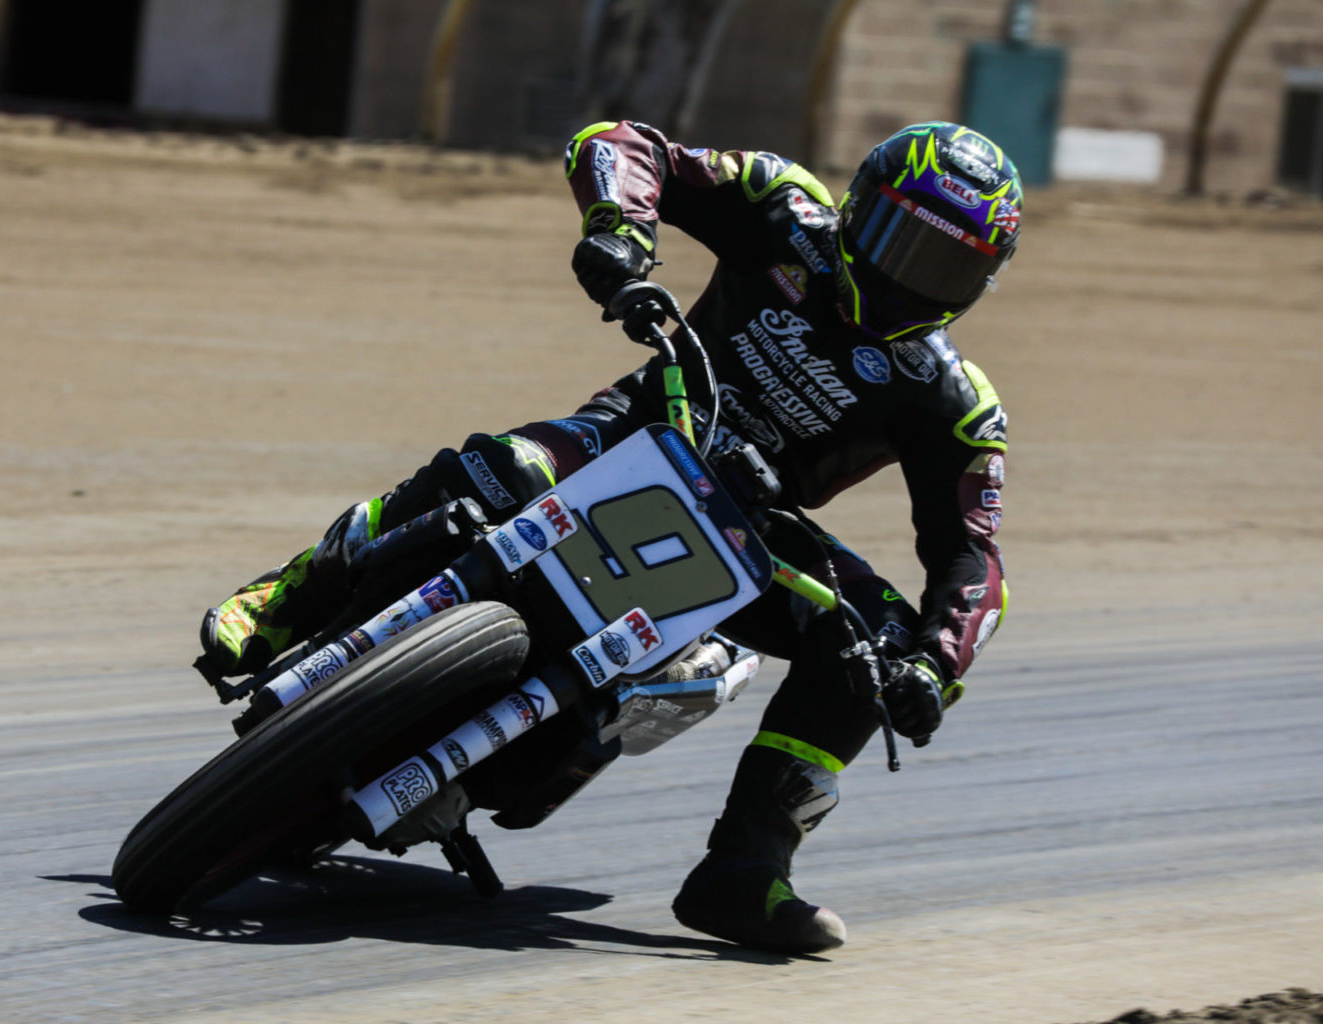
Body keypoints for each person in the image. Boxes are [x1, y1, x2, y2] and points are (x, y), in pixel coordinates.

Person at [196, 119, 1019, 954]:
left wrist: (932, 662)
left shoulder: (955, 399)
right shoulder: (783, 206)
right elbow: (626, 142)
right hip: (632, 433)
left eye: (945, 263)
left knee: (870, 649)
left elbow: (973, 557)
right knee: (500, 467)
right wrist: (619, 235)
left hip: (754, 530)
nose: (909, 275)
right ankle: (291, 597)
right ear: (857, 207)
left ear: (980, 282)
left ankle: (745, 866)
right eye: (898, 240)